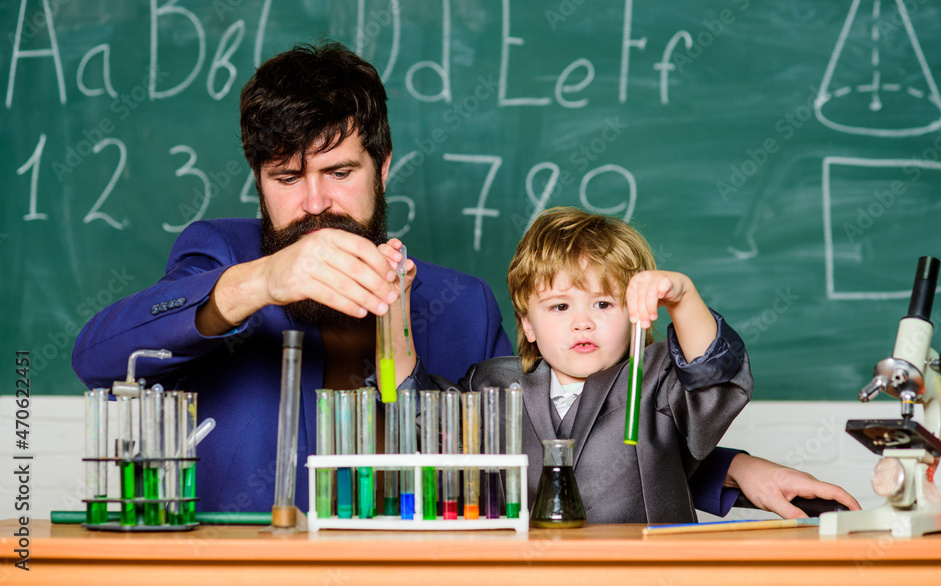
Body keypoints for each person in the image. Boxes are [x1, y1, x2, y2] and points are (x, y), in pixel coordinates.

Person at [72, 42, 858, 518]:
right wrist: (257, 282)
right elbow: (95, 358)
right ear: (259, 181)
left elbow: (537, 440)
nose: (314, 202)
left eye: (340, 171)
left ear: (383, 168)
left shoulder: (457, 304)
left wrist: (730, 472)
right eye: (286, 177)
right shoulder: (219, 259)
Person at [443, 207, 750, 523]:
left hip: (647, 568)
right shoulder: (493, 385)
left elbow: (713, 377)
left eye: (603, 304)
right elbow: (425, 430)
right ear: (528, 324)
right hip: (528, 569)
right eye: (560, 306)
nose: (582, 323)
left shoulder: (657, 380)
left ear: (635, 314)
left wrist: (683, 298)